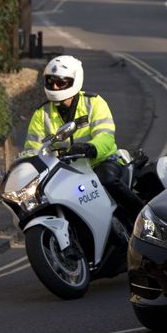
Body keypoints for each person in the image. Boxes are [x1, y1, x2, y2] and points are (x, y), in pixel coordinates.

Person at [24, 55, 145, 226]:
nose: (55, 86)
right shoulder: (41, 114)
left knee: (107, 180)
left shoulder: (93, 103)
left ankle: (146, 222)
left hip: (100, 162)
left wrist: (88, 148)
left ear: (75, 80)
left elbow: (106, 138)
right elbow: (32, 150)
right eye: (50, 82)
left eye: (61, 82)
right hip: (63, 173)